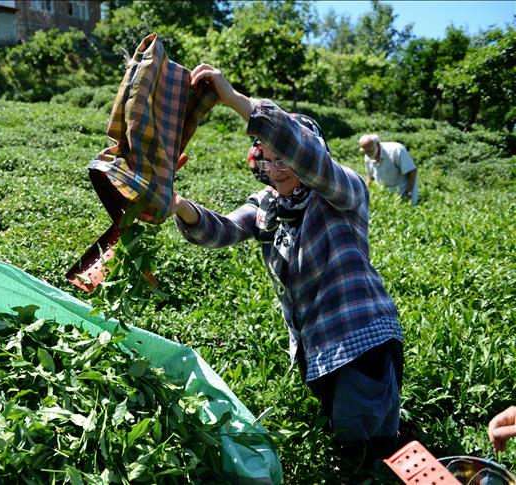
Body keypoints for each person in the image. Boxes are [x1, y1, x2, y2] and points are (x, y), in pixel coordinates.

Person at [166, 64, 405, 463]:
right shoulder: (268, 205)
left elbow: (306, 155)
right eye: (269, 160)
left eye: (285, 161)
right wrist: (178, 204)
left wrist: (236, 100)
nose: (276, 172)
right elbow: (222, 230)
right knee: (345, 449)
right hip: (318, 352)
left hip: (362, 343)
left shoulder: (342, 190)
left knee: (366, 456)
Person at [358, 134, 419, 206]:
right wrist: (365, 195)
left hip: (402, 193)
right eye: (365, 151)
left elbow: (412, 171)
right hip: (384, 196)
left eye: (370, 151)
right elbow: (370, 177)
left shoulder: (396, 150)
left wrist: (408, 192)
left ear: (377, 144)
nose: (367, 154)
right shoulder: (367, 155)